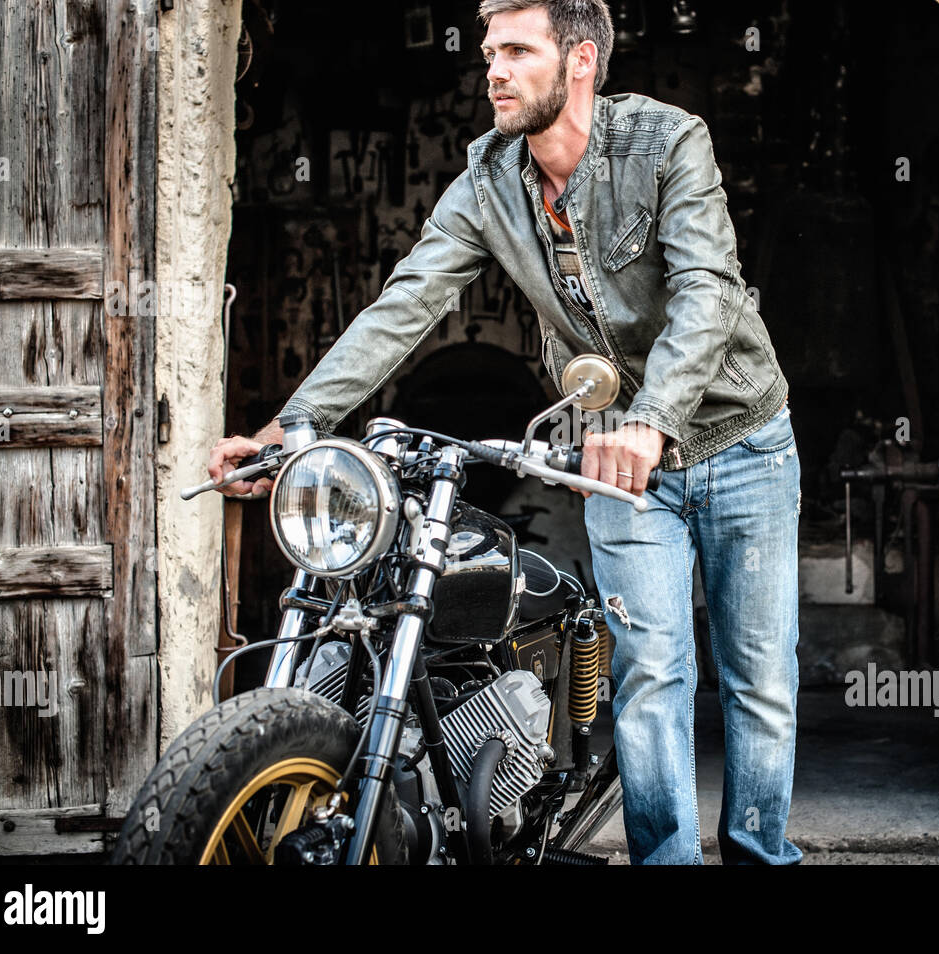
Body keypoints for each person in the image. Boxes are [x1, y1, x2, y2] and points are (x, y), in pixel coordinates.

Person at [207, 0, 801, 866]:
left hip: (741, 438)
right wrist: (294, 423)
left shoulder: (669, 142)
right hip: (617, 465)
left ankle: (761, 858)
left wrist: (650, 422)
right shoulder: (488, 180)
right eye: (489, 52)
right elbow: (404, 305)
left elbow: (709, 291)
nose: (492, 69)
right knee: (651, 680)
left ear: (581, 59)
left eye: (517, 51)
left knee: (761, 685)